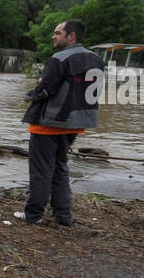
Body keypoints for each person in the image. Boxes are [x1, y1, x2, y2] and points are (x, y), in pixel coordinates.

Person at [20, 19, 105, 226]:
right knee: (60, 168)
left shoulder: (60, 58)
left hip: (50, 123)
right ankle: (63, 216)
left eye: (57, 33)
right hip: (75, 123)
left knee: (41, 170)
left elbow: (45, 89)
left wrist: (29, 95)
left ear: (71, 35)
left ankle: (33, 215)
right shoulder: (97, 60)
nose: (53, 36)